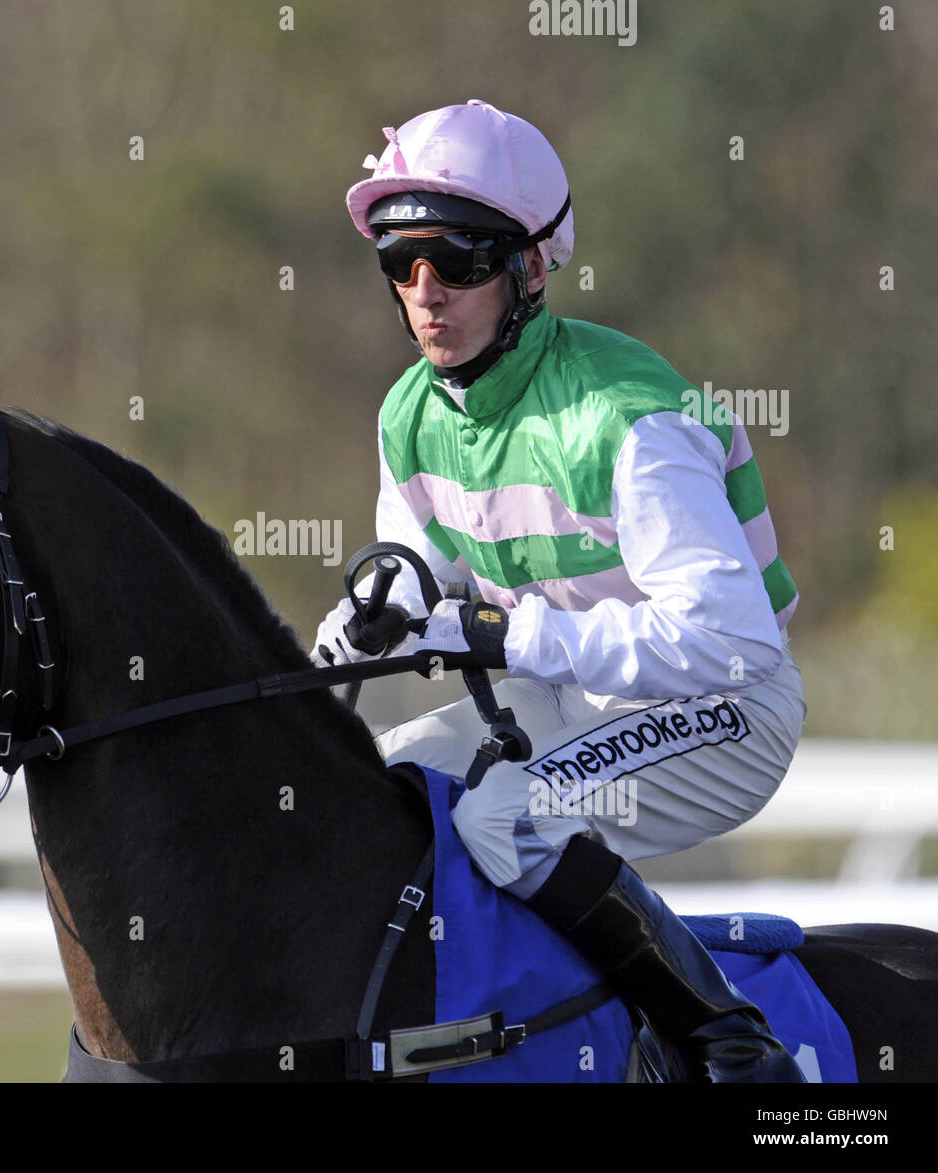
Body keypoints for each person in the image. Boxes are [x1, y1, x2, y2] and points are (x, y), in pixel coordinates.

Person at [313, 99, 807, 1082]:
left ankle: (727, 1037)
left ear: (527, 268)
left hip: (720, 709)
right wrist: (358, 626)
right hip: (561, 695)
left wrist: (509, 631)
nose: (424, 293)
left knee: (501, 817)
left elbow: (734, 647)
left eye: (452, 260)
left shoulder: (630, 426)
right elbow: (423, 578)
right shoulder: (409, 411)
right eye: (397, 263)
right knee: (355, 795)